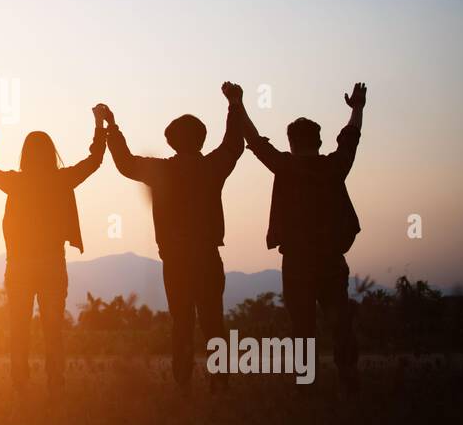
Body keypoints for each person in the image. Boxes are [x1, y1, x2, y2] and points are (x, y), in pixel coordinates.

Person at [100, 84, 245, 393]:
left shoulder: (161, 171)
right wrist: (234, 104)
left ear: (171, 141)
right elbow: (234, 144)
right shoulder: (212, 168)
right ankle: (220, 383)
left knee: (182, 323)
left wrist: (111, 126)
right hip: (207, 256)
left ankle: (182, 383)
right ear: (201, 140)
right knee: (213, 322)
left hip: (176, 260)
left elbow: (125, 163)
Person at [237, 83, 367, 392]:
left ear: (291, 143)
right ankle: (348, 379)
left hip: (296, 263)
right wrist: (357, 108)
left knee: (303, 327)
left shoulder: (284, 166)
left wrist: (237, 104)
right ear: (320, 141)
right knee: (340, 323)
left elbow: (254, 141)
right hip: (332, 260)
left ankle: (306, 384)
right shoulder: (334, 167)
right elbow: (351, 138)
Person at [0, 108, 107, 396]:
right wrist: (100, 125)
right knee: (53, 327)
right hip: (51, 263)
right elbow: (94, 161)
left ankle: (20, 384)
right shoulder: (61, 179)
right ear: (51, 153)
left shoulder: (16, 181)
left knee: (19, 327)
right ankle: (56, 383)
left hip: (20, 264)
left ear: (25, 154)